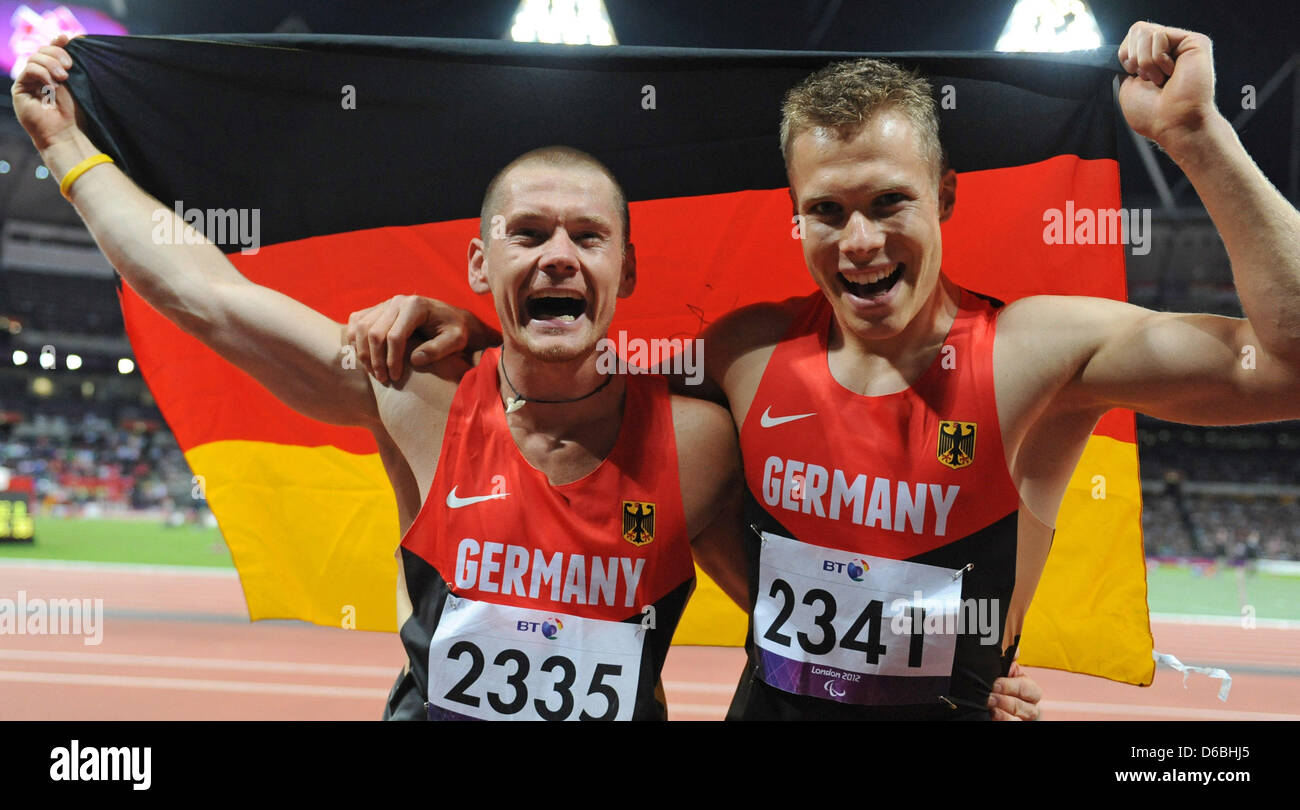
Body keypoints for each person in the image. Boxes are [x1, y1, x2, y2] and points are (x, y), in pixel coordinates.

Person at [352, 20, 1299, 720]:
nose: (859, 242)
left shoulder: (1035, 352)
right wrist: (479, 333)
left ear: (946, 197)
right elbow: (590, 399)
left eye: (889, 203)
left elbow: (1288, 366)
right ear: (795, 220)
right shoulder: (743, 354)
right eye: (827, 211)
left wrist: (1196, 138)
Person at [13, 37, 752, 720]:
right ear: (477, 266)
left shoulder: (699, 438)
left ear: (625, 271)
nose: (558, 255)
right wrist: (64, 145)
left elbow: (796, 627)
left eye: (588, 236)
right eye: (526, 233)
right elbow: (208, 297)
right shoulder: (420, 391)